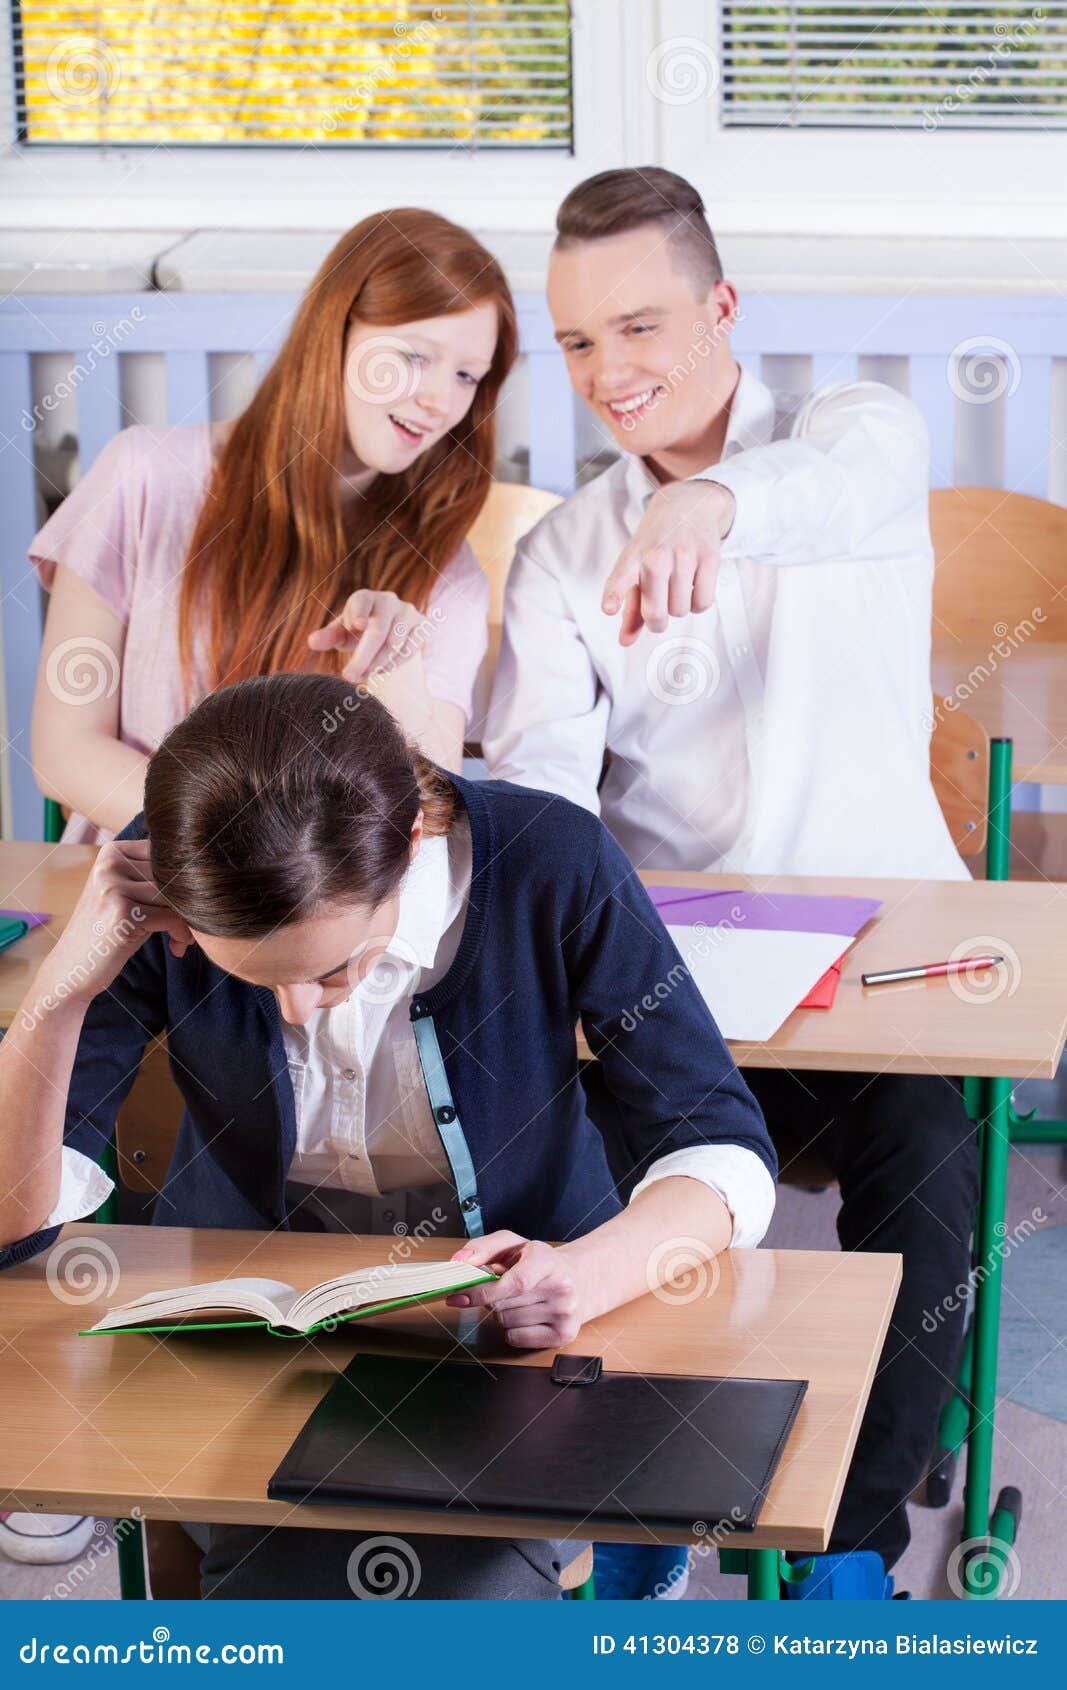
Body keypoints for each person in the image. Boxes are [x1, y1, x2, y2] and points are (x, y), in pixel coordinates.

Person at [0, 672, 776, 1600]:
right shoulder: (171, 870)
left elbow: (718, 1145)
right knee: (288, 1561)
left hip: (509, 1346)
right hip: (246, 1353)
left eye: (332, 971)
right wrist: (58, 995)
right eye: (246, 978)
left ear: (411, 842)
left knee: (450, 1578)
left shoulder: (550, 858)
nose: (290, 1009)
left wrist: (588, 1273)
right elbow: (14, 1223)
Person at [485, 167, 978, 1598]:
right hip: (678, 990)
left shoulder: (857, 436)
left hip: (887, 968)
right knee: (576, 1161)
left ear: (718, 306)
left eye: (637, 328)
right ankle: (639, 1504)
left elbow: (823, 489)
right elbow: (543, 799)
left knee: (927, 1168)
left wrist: (704, 501)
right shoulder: (561, 553)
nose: (606, 374)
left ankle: (847, 1544)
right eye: (576, 343)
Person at [30, 208, 517, 845]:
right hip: (141, 884)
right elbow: (63, 750)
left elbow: (425, 813)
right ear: (333, 331)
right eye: (415, 357)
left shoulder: (446, 576)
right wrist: (231, 852)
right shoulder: (142, 475)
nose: (440, 401)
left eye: (466, 377)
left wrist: (399, 673)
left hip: (316, 915)